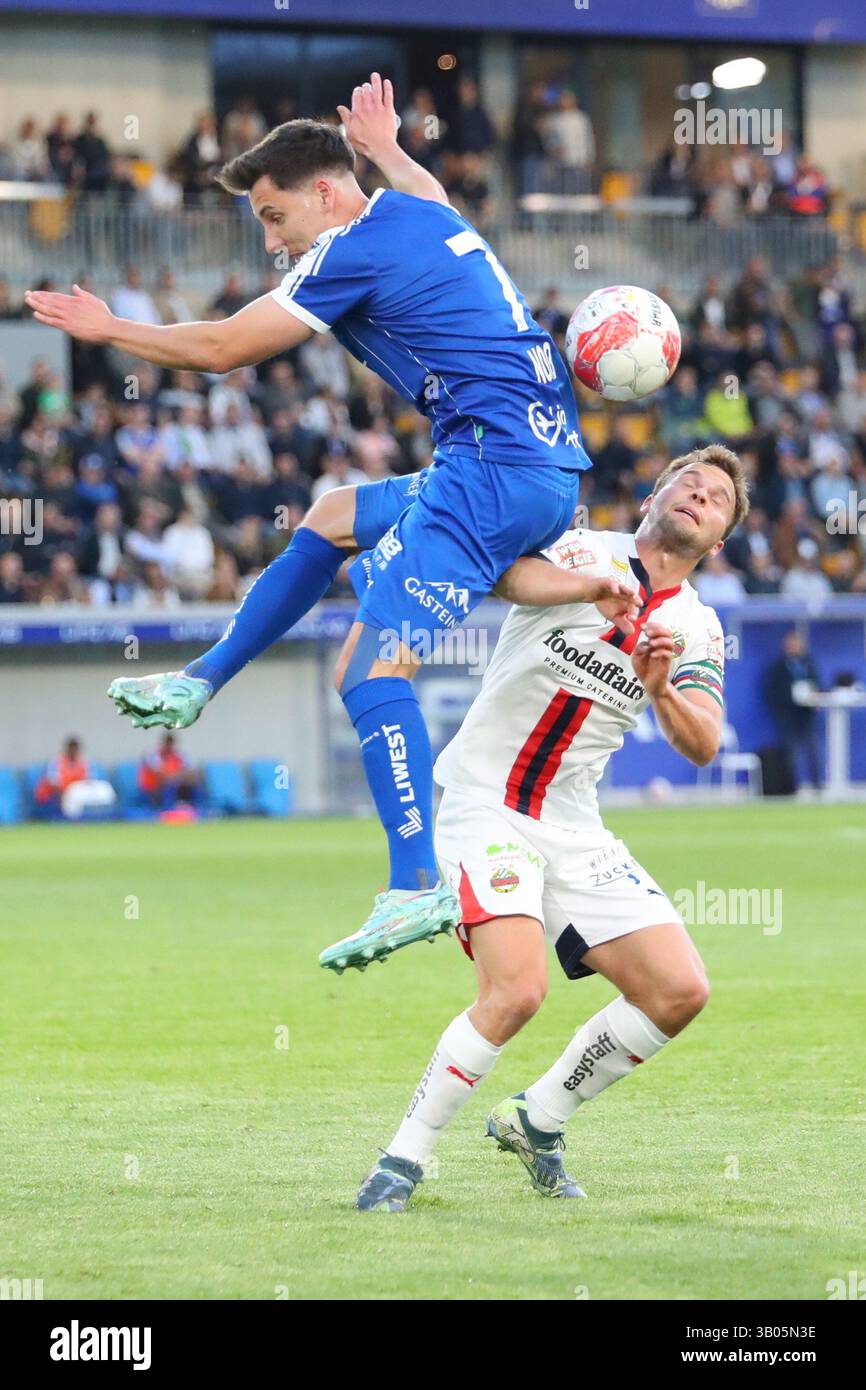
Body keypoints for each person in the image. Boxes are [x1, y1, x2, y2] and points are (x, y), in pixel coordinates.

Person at [25, 73, 635, 969]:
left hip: (491, 469)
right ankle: (202, 679)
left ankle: (415, 883)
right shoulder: (418, 213)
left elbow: (227, 350)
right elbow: (425, 188)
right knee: (335, 515)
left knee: (367, 669)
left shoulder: (350, 248)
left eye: (275, 218)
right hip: (542, 469)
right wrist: (386, 146)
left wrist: (113, 328)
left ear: (323, 193)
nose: (273, 241)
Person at [355, 445, 748, 1211]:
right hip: (485, 801)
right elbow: (500, 574)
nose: (699, 497)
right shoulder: (580, 548)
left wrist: (659, 688)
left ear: (722, 539)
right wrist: (589, 588)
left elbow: (702, 743)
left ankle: (538, 1120)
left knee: (679, 990)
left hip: (572, 824)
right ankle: (400, 1163)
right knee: (518, 990)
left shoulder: (697, 628)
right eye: (687, 483)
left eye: (717, 499)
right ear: (652, 496)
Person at [765, 630, 823, 792]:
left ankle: (817, 785)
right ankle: (793, 786)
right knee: (791, 752)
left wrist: (814, 697)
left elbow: (816, 682)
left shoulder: (809, 663)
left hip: (806, 713)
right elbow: (773, 689)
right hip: (787, 713)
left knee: (812, 748)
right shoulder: (778, 665)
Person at [138, 734, 202, 811]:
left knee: (194, 783)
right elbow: (161, 775)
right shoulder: (153, 755)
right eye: (167, 744)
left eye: (171, 744)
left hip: (176, 785)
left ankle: (197, 810)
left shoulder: (178, 755)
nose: (169, 747)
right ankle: (168, 810)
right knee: (170, 785)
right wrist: (177, 777)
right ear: (163, 743)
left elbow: (191, 771)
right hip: (154, 789)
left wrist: (182, 777)